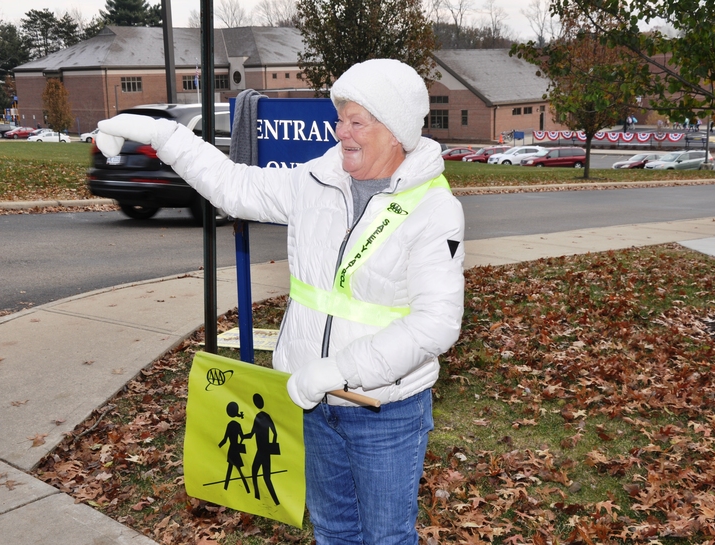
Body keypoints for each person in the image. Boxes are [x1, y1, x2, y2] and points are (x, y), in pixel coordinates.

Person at [97, 58, 465, 545]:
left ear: (396, 131)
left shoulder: (434, 209)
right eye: (341, 120)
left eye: (357, 122)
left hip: (384, 409)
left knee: (386, 538)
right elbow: (233, 185)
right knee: (333, 531)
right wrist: (162, 135)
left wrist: (338, 371)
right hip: (310, 402)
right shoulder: (316, 181)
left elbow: (436, 324)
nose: (342, 133)